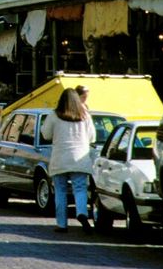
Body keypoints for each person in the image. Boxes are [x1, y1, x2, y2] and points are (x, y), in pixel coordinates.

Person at [40, 88, 95, 234]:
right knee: (80, 188)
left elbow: (45, 135)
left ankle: (62, 224)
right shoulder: (85, 116)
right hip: (80, 158)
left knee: (60, 190)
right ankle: (82, 212)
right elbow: (92, 137)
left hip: (60, 158)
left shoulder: (54, 115)